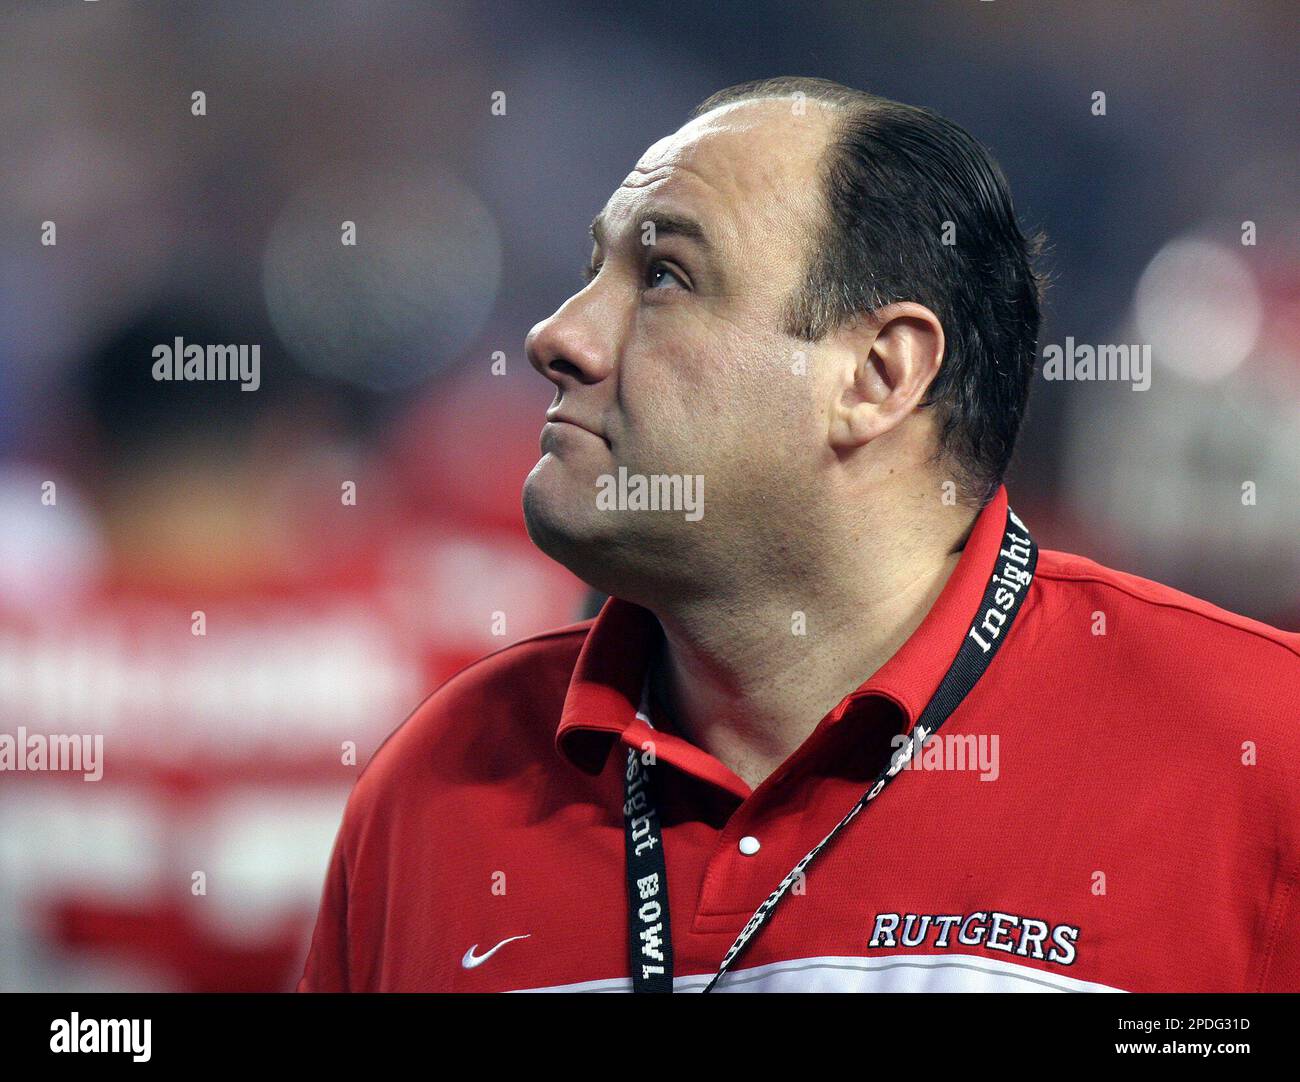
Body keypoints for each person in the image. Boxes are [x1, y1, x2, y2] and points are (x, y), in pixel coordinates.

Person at [298, 77, 1299, 993]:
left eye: (664, 277)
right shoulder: (440, 779)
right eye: (593, 269)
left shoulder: (1261, 751)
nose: (557, 334)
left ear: (876, 375)